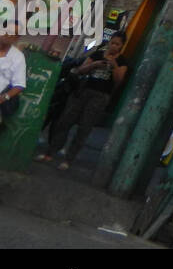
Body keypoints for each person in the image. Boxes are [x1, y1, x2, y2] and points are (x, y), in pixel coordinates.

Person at [40, 32, 128, 170]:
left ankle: (68, 159)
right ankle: (51, 151)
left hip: (101, 96)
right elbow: (81, 70)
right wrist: (95, 65)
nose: (114, 46)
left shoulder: (122, 62)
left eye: (117, 44)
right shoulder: (97, 55)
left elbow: (119, 81)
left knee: (84, 128)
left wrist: (114, 65)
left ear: (122, 45)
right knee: (65, 121)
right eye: (112, 42)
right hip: (83, 91)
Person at [0, 32, 26, 129]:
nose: (9, 35)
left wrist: (4, 97)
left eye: (14, 34)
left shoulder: (18, 57)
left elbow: (19, 85)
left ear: (17, 38)